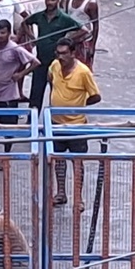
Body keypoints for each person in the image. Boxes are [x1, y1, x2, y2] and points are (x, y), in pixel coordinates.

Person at [47, 38, 101, 207]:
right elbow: (50, 80)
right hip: (56, 123)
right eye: (58, 53)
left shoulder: (83, 72)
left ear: (72, 53)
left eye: (64, 54)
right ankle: (61, 192)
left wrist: (78, 106)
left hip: (76, 125)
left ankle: (78, 197)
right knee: (59, 159)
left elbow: (96, 96)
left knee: (77, 162)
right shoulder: (54, 66)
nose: (60, 57)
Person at [23, 0, 82, 110]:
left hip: (58, 63)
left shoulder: (64, 19)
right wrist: (32, 37)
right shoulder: (39, 16)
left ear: (58, 0)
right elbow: (25, 23)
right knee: (36, 93)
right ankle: (31, 121)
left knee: (56, 93)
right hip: (40, 62)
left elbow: (85, 30)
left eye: (52, 0)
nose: (49, 3)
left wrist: (68, 42)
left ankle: (54, 119)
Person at [0, 18, 37, 148]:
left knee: (8, 131)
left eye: (3, 33)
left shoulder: (15, 49)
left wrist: (20, 74)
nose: (0, 36)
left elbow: (35, 62)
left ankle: (6, 158)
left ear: (9, 34)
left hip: (8, 97)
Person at [63, 0, 99, 66]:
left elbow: (95, 25)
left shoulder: (91, 3)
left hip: (84, 41)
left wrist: (92, 47)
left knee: (82, 71)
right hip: (70, 40)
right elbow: (65, 19)